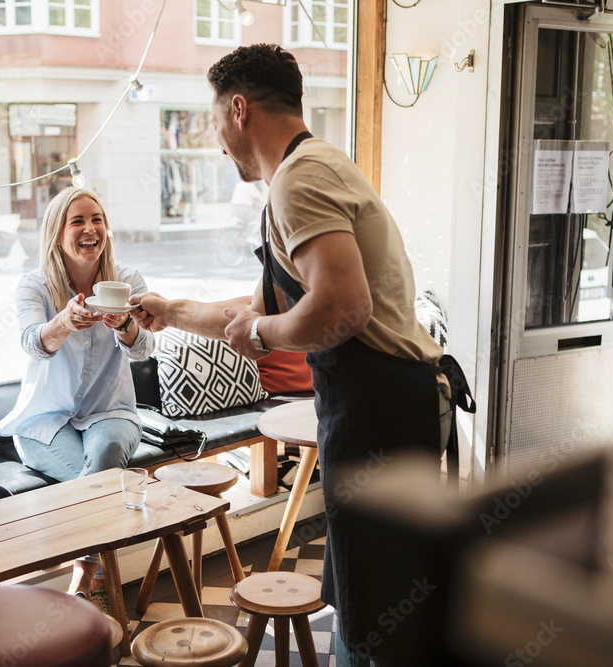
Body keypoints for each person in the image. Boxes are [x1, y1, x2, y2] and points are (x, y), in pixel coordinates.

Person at [130, 44, 466, 665]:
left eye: (212, 121)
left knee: (380, 610)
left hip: (382, 414)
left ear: (239, 109)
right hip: (379, 407)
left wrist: (262, 338)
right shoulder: (306, 171)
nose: (215, 139)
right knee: (368, 592)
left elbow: (342, 308)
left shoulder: (299, 182)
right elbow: (260, 307)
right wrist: (172, 311)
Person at [0, 186, 154, 599]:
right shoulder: (35, 286)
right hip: (43, 421)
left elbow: (144, 349)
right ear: (56, 233)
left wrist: (123, 324)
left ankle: (81, 570)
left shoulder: (128, 281)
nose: (90, 229)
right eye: (77, 221)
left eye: (97, 219)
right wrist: (64, 321)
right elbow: (33, 342)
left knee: (103, 456)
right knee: (107, 485)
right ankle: (98, 574)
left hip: (110, 412)